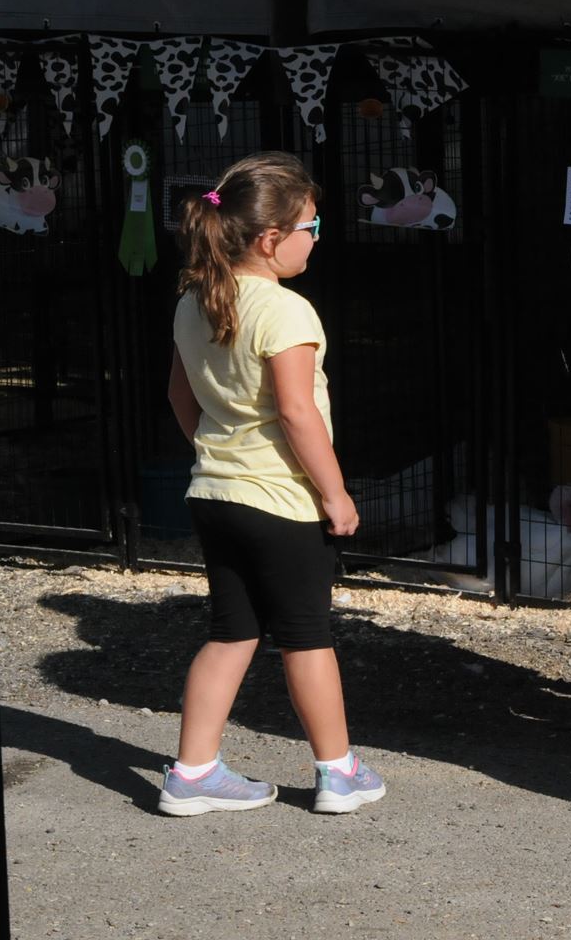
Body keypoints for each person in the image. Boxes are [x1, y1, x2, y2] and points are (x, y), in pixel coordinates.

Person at [160, 152, 386, 817]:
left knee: (231, 630)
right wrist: (335, 493)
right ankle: (338, 772)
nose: (315, 239)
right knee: (307, 634)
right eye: (311, 227)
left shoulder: (193, 302)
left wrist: (215, 453)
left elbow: (179, 396)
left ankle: (192, 772)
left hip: (215, 495)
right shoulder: (287, 311)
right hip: (283, 502)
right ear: (269, 239)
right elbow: (296, 412)